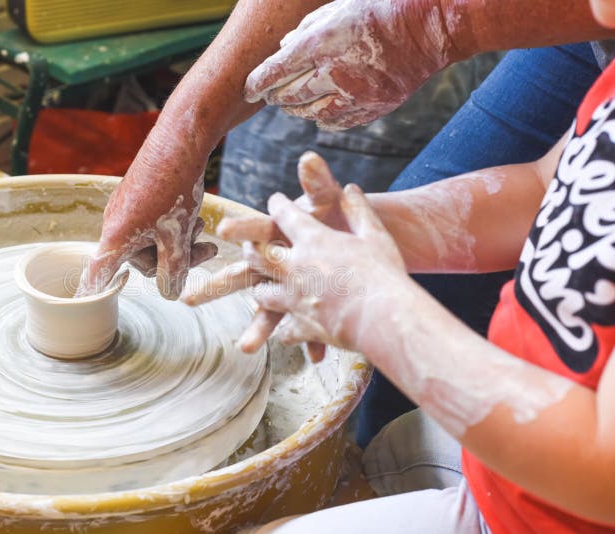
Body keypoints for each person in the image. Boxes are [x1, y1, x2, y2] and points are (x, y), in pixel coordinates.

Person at [182, 0, 615, 527]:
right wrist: (373, 229)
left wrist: (376, 308)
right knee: (383, 450)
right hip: (519, 465)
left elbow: (602, 465)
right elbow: (550, 187)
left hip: (564, 502)